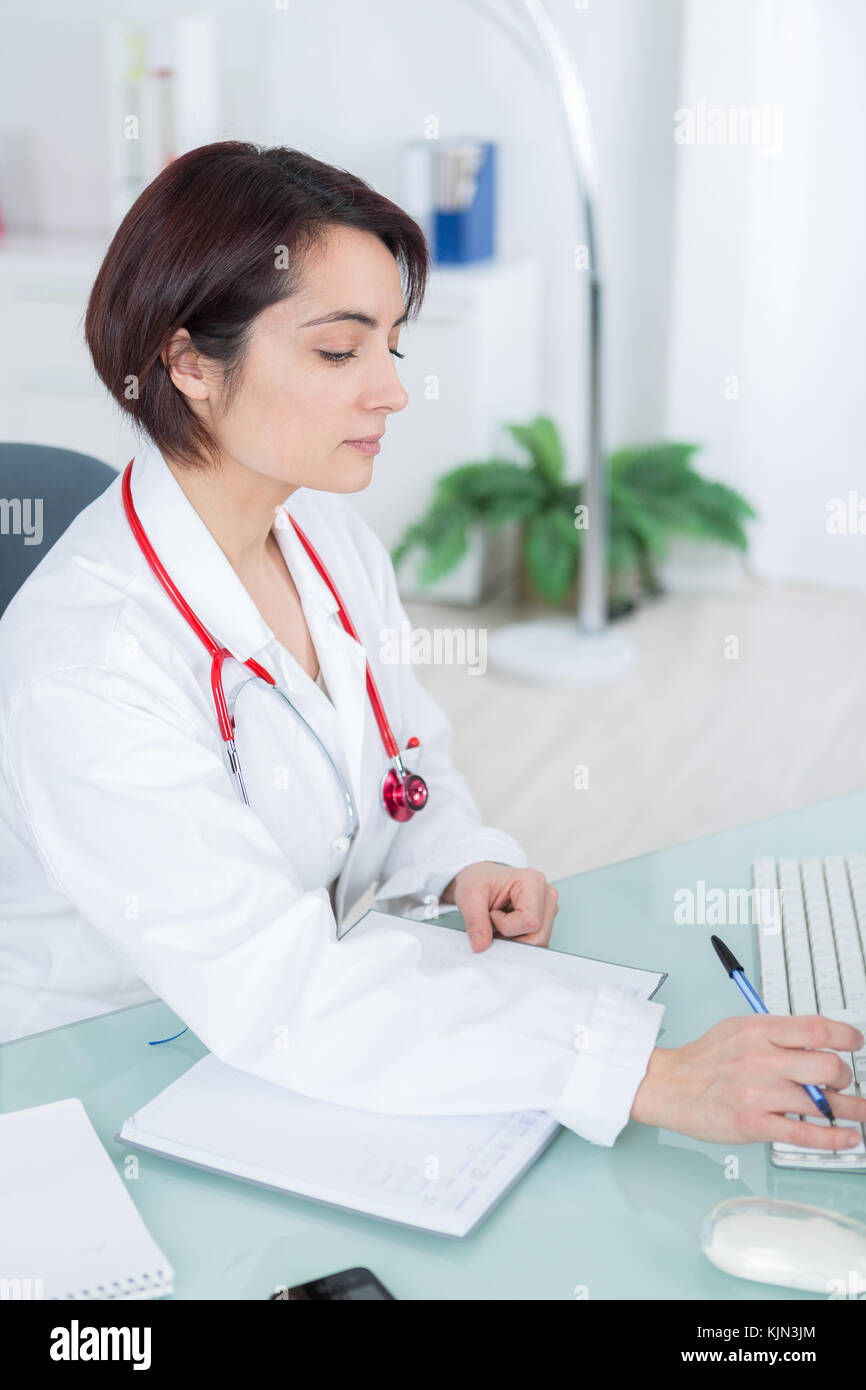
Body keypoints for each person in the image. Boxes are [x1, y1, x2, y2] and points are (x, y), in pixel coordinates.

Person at [0, 142, 862, 1155]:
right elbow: (273, 982)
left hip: (280, 1031)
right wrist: (640, 1072)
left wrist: (460, 858)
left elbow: (406, 766)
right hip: (86, 1070)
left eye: (392, 347)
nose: (390, 391)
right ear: (188, 360)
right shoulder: (90, 656)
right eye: (337, 351)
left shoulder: (324, 537)